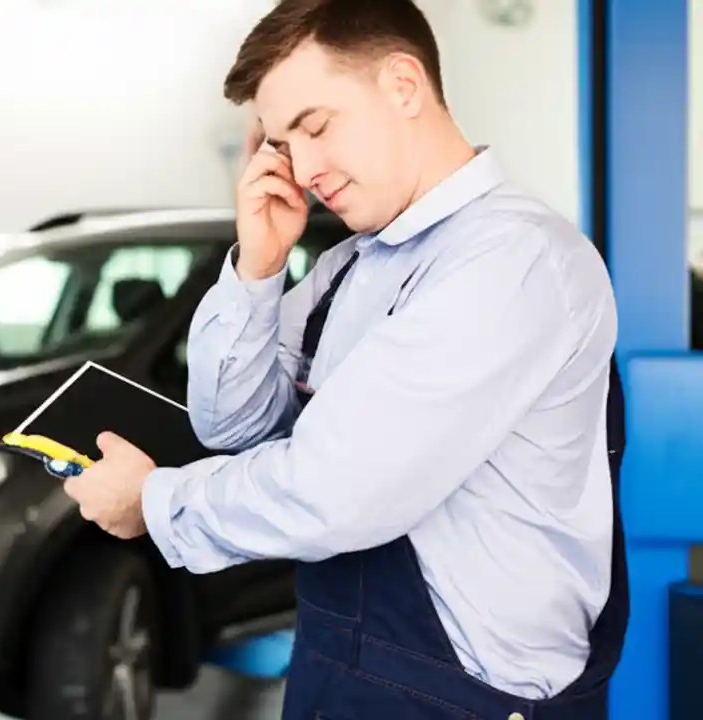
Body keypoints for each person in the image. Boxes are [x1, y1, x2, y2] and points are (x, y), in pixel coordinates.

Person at [59, 0, 628, 718]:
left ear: (403, 85)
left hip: (464, 699)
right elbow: (229, 422)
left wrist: (154, 502)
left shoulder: (510, 260)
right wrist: (259, 266)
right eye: (281, 143)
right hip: (347, 672)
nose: (304, 168)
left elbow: (337, 489)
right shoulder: (348, 268)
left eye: (316, 126)